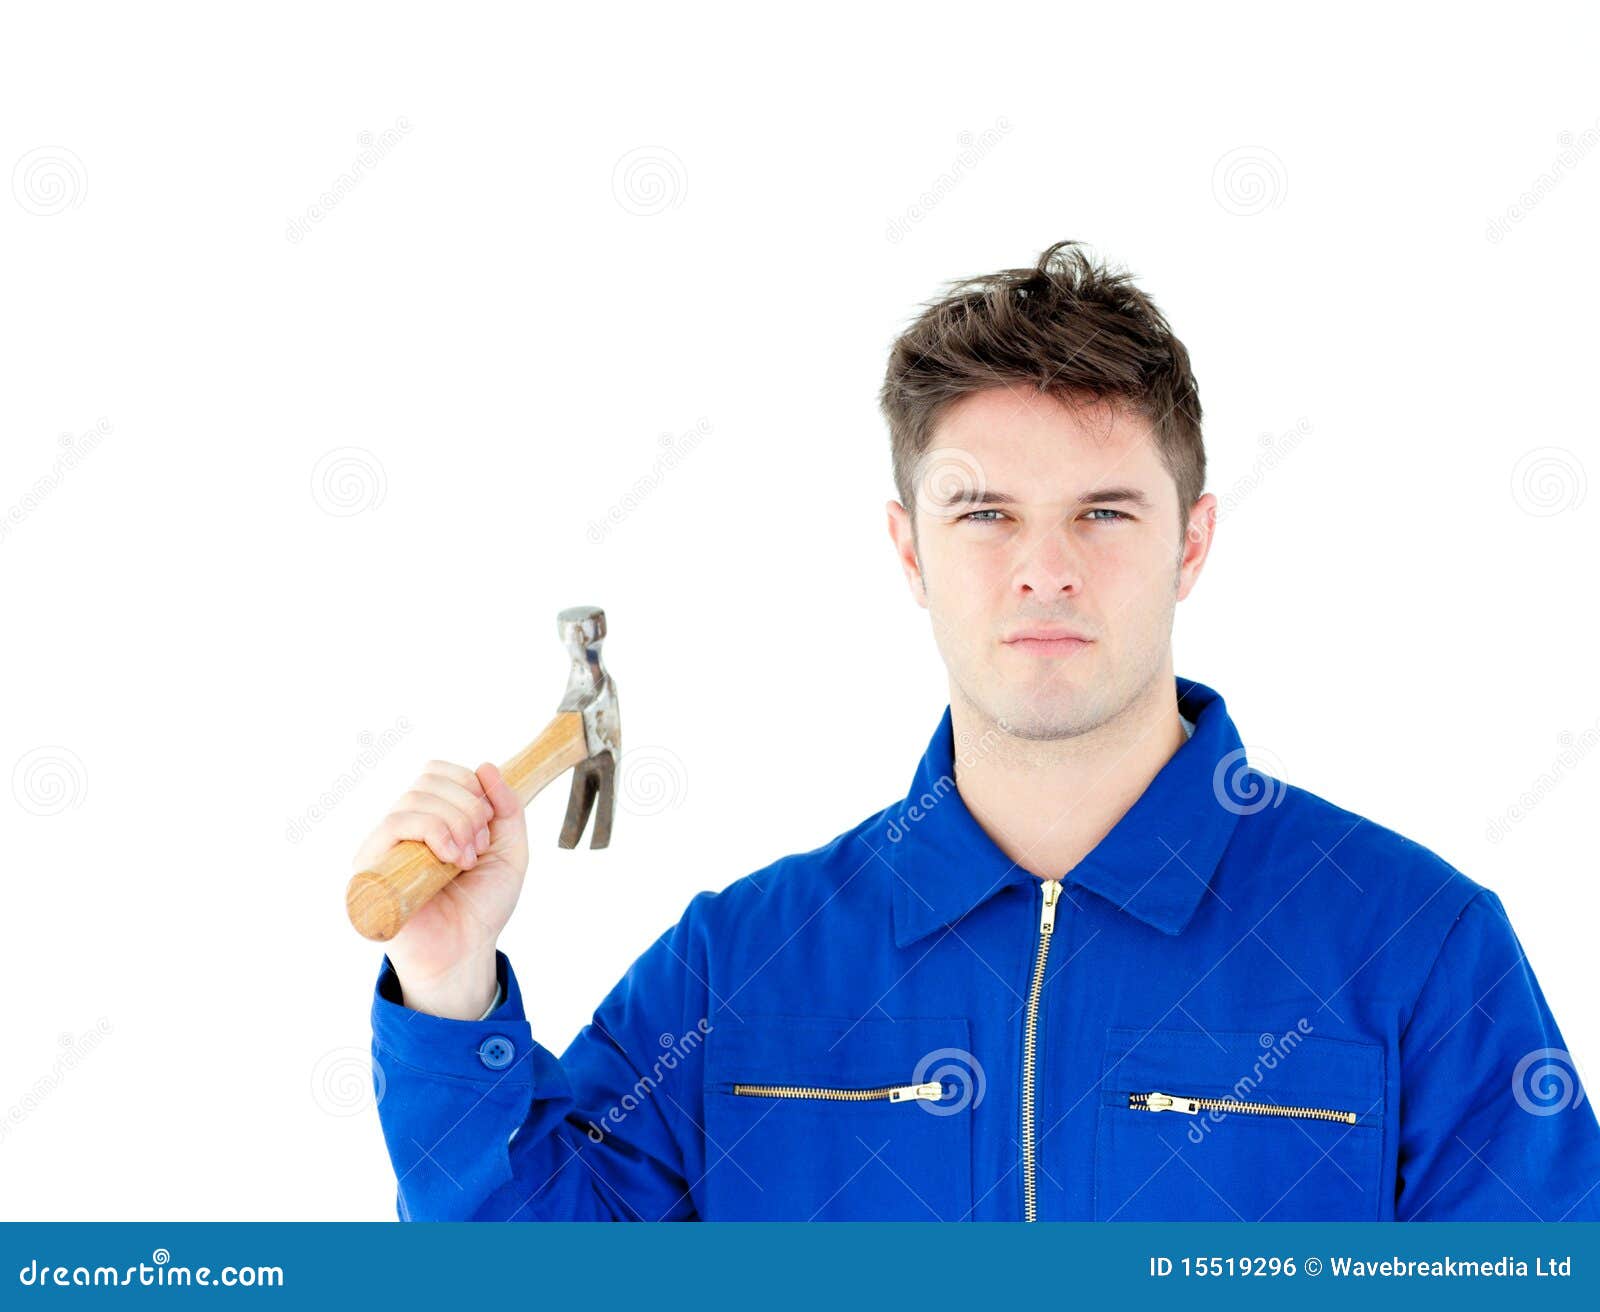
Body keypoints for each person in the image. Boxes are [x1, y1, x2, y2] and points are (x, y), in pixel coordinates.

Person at [358, 240, 1600, 1221]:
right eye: (985, 513)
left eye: (1103, 513)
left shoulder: (1416, 950)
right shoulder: (740, 971)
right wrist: (448, 984)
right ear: (909, 549)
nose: (1044, 570)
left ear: (1195, 542)